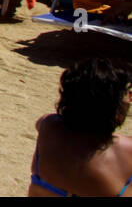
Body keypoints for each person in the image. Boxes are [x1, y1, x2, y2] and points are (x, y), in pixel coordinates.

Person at [28, 57, 132, 197]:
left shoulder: (48, 125)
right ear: (114, 108)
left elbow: (42, 123)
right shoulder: (126, 151)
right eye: (128, 94)